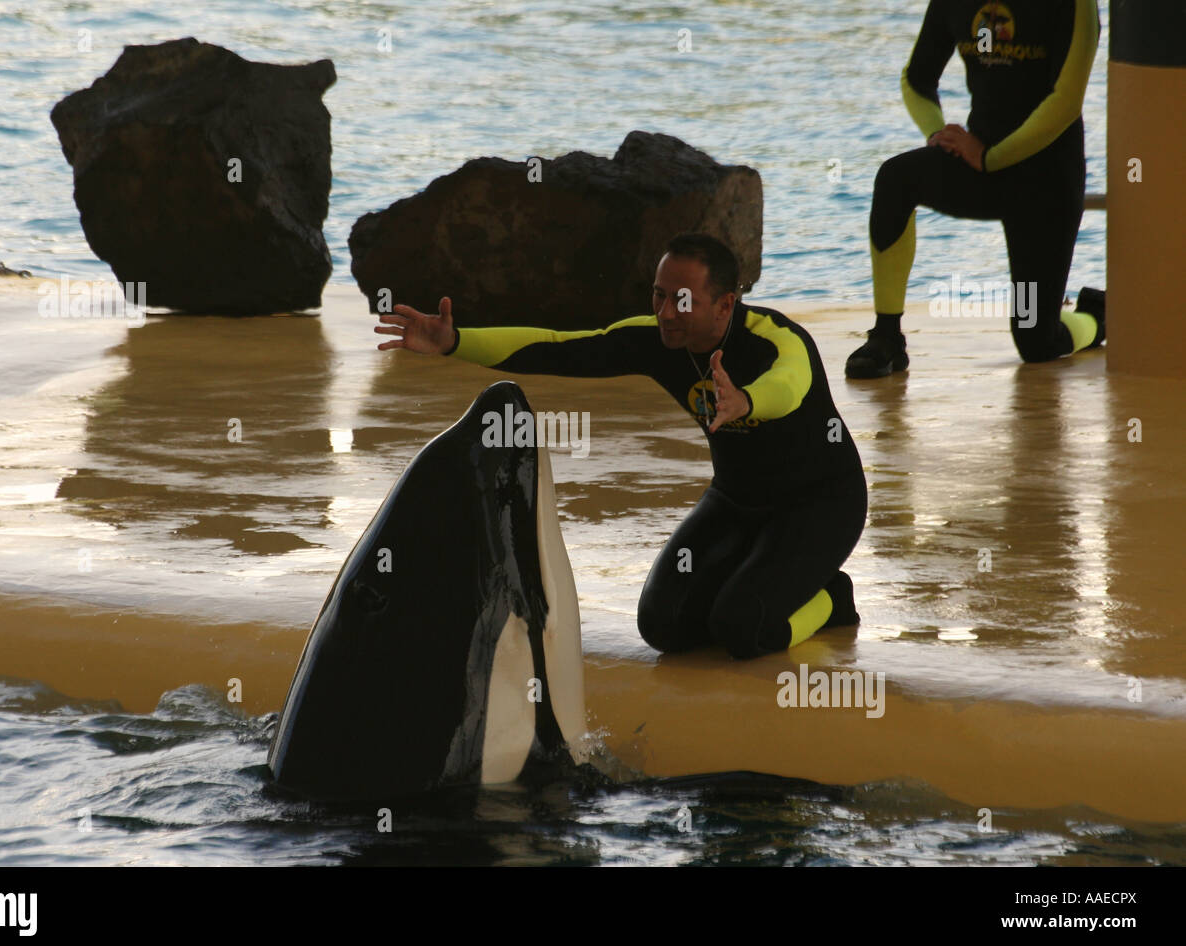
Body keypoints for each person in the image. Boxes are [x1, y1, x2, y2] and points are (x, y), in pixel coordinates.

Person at [375, 233, 868, 661]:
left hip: (819, 503)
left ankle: (831, 599)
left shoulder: (776, 341)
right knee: (665, 625)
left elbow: (791, 384)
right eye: (657, 296)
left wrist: (747, 400)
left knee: (742, 630)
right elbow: (559, 346)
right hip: (738, 501)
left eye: (680, 300)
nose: (663, 313)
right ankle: (763, 582)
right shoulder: (657, 340)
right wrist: (454, 341)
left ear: (724, 305)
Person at [845, 0, 1106, 378]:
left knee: (1037, 342)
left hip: (1045, 183)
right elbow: (917, 79)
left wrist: (990, 157)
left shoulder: (1073, 4)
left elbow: (1066, 101)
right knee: (896, 177)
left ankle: (1097, 315)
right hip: (979, 167)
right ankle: (886, 336)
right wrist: (937, 133)